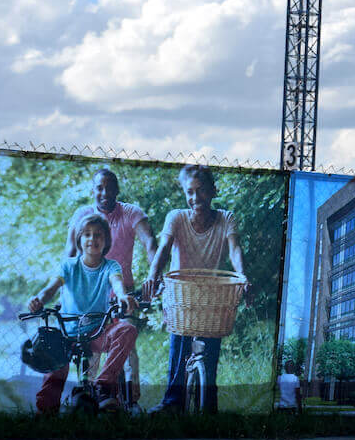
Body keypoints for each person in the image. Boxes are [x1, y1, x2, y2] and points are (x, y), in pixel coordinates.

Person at [151, 164, 245, 414]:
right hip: (182, 295)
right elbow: (163, 248)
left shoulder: (226, 218)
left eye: (201, 191)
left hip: (212, 295)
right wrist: (152, 275)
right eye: (190, 192)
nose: (195, 198)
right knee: (179, 348)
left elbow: (234, 248)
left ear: (213, 191)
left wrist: (242, 274)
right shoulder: (177, 217)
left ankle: (208, 407)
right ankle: (172, 403)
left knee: (210, 352)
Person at [27, 213, 137, 413]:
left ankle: (103, 386)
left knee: (127, 329)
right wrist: (39, 300)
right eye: (87, 234)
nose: (92, 239)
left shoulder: (110, 266)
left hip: (98, 331)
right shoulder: (69, 265)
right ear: (79, 240)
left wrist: (122, 296)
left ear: (106, 242)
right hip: (67, 334)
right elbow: (50, 288)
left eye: (98, 235)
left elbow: (117, 284)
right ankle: (46, 409)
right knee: (55, 361)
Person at [67, 168, 158, 399]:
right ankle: (90, 399)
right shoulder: (82, 214)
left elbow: (149, 243)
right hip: (90, 294)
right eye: (99, 187)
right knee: (91, 347)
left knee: (128, 344)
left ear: (117, 190)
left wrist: (154, 275)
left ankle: (132, 399)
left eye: (110, 187)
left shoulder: (130, 213)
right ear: (93, 190)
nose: (105, 192)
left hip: (122, 293)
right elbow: (69, 254)